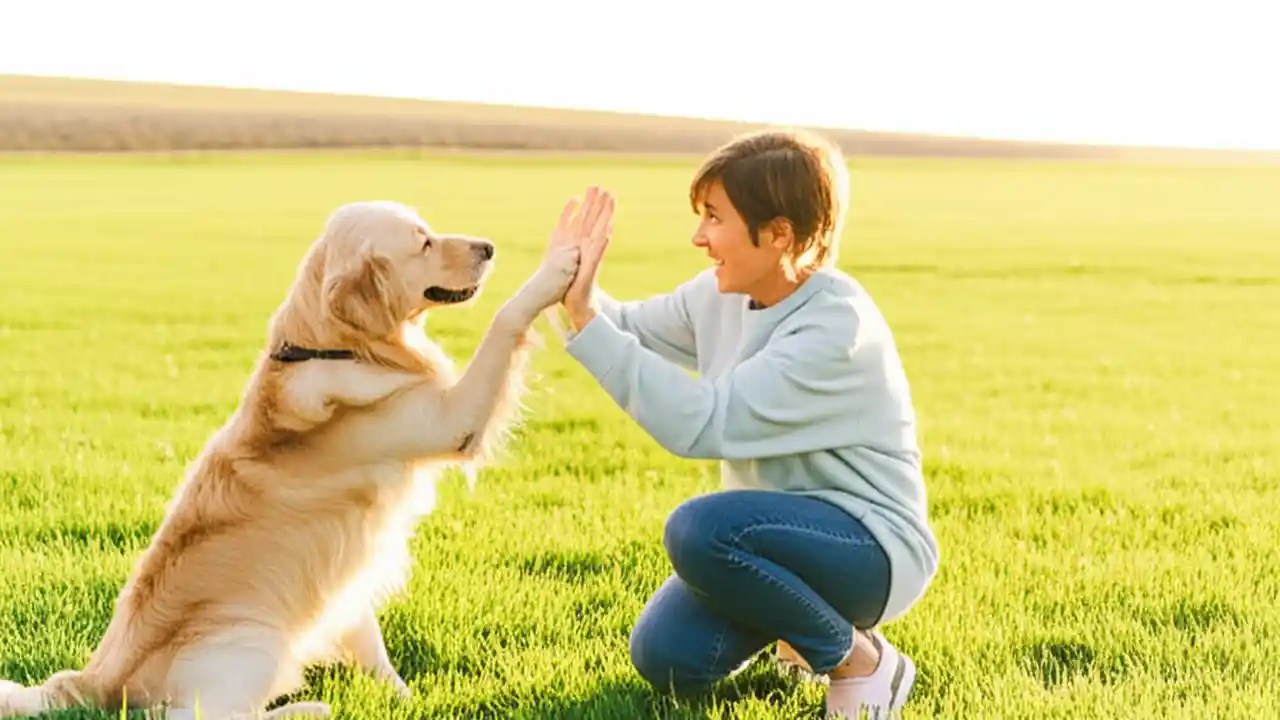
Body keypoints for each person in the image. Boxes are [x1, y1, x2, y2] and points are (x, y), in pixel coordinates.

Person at [548, 129, 939, 719]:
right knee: (669, 657)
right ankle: (797, 634)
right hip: (777, 536)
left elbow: (699, 424)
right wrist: (575, 283)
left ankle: (860, 660)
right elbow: (624, 326)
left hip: (868, 550)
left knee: (700, 530)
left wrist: (584, 319)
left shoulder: (833, 331)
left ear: (779, 233)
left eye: (714, 217)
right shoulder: (723, 293)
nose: (699, 237)